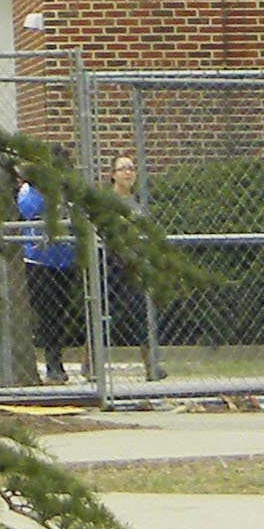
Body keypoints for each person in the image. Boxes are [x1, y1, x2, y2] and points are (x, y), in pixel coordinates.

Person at [103, 148, 164, 376]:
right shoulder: (108, 201)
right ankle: (90, 365)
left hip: (135, 263)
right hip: (111, 262)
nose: (128, 173)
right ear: (113, 175)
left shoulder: (138, 202)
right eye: (122, 169)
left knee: (141, 312)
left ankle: (151, 366)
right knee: (105, 313)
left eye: (131, 168)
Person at [16, 171, 81, 382]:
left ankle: (57, 359)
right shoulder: (29, 192)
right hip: (38, 261)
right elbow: (29, 209)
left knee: (61, 311)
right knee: (47, 312)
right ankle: (53, 364)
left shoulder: (68, 192)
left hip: (65, 259)